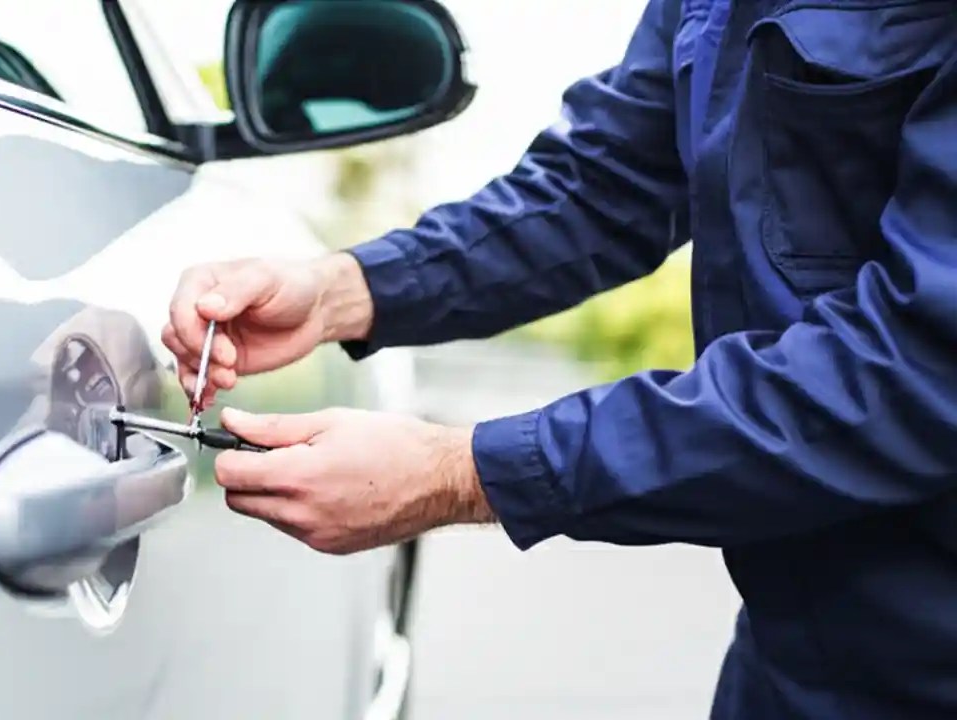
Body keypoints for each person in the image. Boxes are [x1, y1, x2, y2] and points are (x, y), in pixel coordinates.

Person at [163, 2, 957, 718]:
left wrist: (461, 473)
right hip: (793, 657)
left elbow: (918, 366)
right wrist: (343, 289)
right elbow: (609, 182)